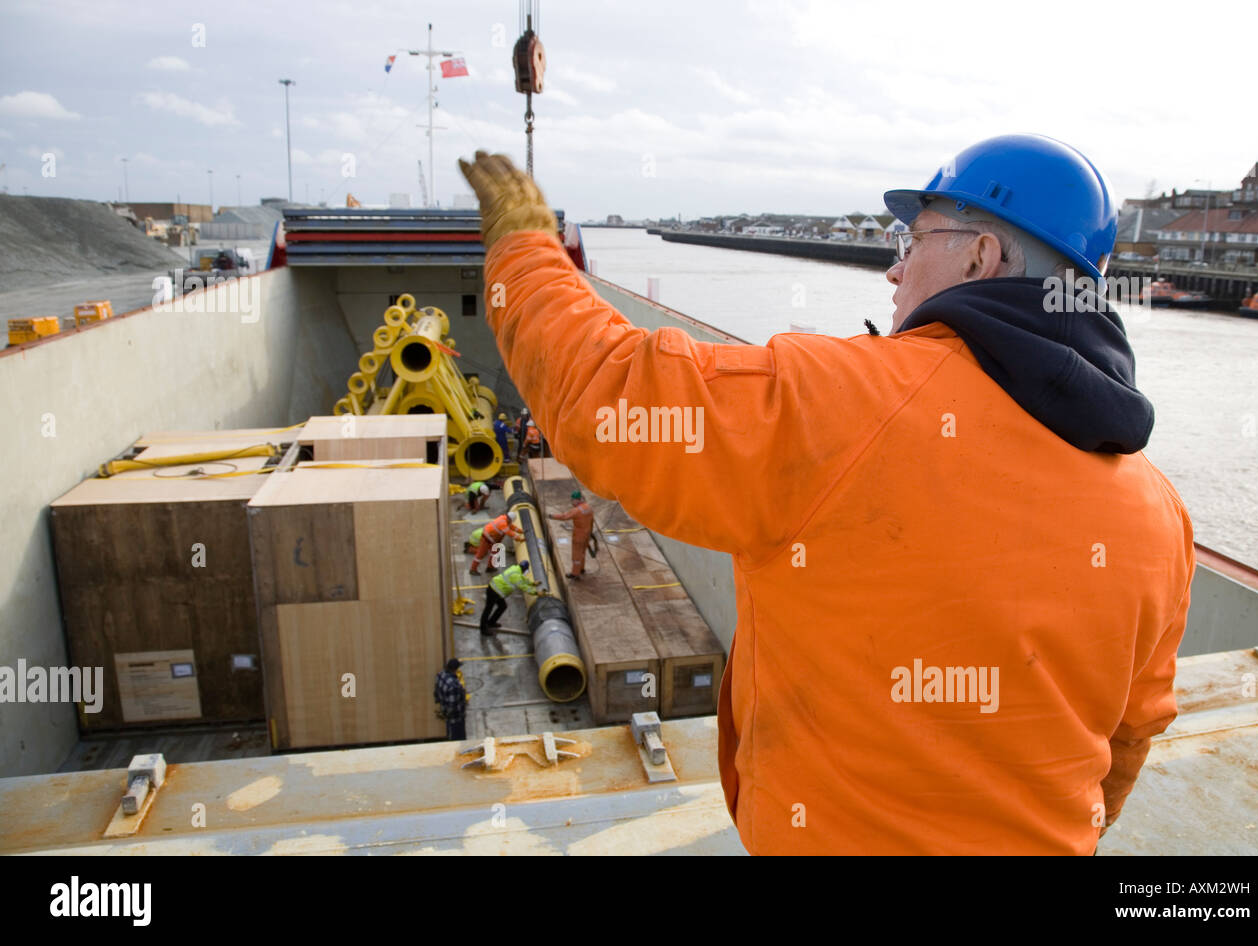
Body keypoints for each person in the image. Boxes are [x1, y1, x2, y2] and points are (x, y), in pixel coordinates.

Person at [459, 135, 1196, 856]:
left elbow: (610, 394)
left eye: (914, 241)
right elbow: (1127, 739)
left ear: (981, 256)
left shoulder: (842, 404)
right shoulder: (1161, 517)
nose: (893, 270)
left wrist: (523, 246)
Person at [480, 560, 539, 634]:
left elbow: (522, 579)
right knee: (488, 609)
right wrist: (536, 593)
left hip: (496, 590)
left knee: (502, 606)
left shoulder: (516, 568)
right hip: (494, 591)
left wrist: (532, 583)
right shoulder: (516, 575)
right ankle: (483, 629)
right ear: (525, 569)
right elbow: (523, 586)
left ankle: (491, 622)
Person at [549, 490, 595, 579]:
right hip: (587, 535)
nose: (572, 502)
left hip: (578, 536)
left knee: (576, 556)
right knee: (582, 553)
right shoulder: (589, 507)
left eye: (572, 500)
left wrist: (551, 516)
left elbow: (564, 517)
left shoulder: (576, 511)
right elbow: (591, 521)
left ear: (577, 500)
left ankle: (575, 573)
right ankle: (581, 569)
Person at [434, 658, 469, 741]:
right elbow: (452, 705)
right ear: (455, 669)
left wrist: (443, 711)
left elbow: (436, 692)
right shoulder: (454, 686)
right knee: (459, 738)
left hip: (444, 710)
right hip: (456, 717)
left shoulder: (440, 675)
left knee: (451, 732)